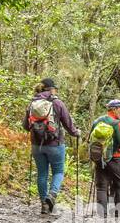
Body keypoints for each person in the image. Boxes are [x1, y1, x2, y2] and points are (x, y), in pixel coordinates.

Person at [24, 78, 81, 214]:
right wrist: (76, 132)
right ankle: (52, 194)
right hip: (55, 144)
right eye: (54, 88)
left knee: (42, 174)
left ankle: (44, 204)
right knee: (58, 172)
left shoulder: (32, 103)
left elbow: (26, 126)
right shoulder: (57, 103)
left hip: (37, 145)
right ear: (51, 89)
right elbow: (68, 124)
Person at [90, 99, 120, 223]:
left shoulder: (96, 122)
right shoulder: (117, 123)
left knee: (101, 186)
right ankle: (119, 214)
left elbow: (90, 139)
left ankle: (102, 215)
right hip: (115, 158)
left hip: (99, 158)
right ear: (115, 109)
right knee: (119, 185)